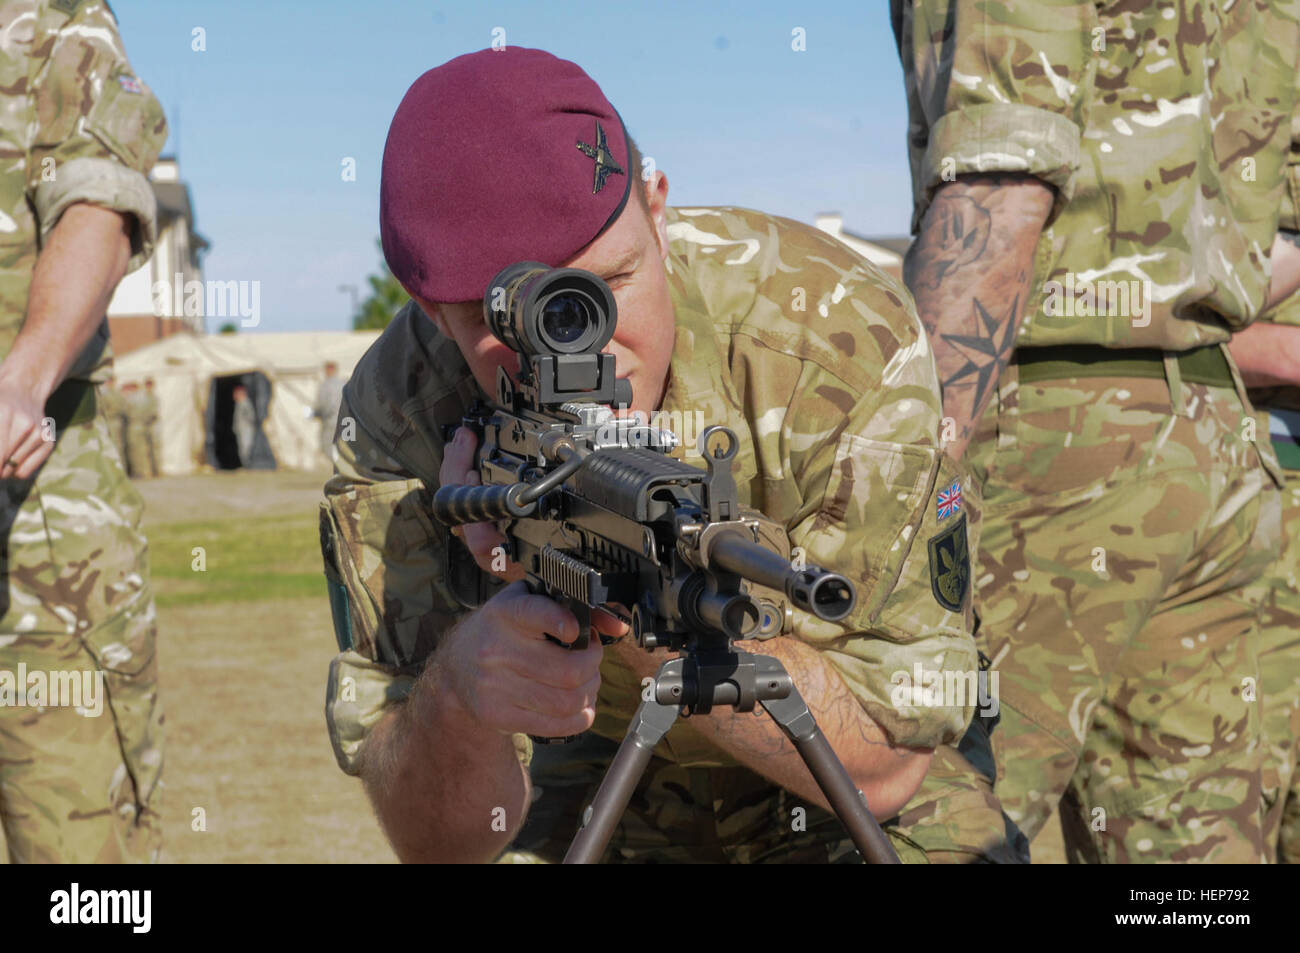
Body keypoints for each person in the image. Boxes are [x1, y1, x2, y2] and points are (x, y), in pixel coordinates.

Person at [320, 47, 1023, 864]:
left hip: (827, 758)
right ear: (432, 313)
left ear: (658, 207)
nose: (595, 346)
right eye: (508, 321)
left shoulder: (827, 336)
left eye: (614, 278)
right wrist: (461, 693)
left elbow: (891, 763)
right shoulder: (400, 409)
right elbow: (437, 843)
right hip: (589, 759)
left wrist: (645, 609)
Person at [892, 2, 1300, 862]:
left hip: (1042, 428)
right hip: (1212, 430)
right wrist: (1169, 302)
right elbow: (1283, 232)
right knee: (1194, 863)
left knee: (923, 809)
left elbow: (999, 189)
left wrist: (904, 483)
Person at [0, 0, 166, 862]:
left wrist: (22, 381)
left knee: (81, 874)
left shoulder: (46, 18)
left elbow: (99, 199)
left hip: (34, 532)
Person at [124, 377, 158, 478]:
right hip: (144, 426)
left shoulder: (131, 399)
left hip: (135, 426)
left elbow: (126, 412)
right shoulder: (145, 398)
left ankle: (139, 471)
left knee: (136, 451)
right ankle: (148, 471)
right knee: (143, 450)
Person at [313, 361, 344, 465]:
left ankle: (341, 465)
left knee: (327, 446)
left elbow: (327, 404)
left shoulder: (328, 385)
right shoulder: (342, 384)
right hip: (343, 420)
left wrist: (317, 413)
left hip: (331, 421)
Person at [232, 383, 256, 467]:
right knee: (242, 448)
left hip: (246, 429)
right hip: (241, 429)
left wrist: (246, 425)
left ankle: (248, 465)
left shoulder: (245, 403)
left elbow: (250, 416)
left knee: (246, 448)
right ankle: (245, 465)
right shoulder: (239, 404)